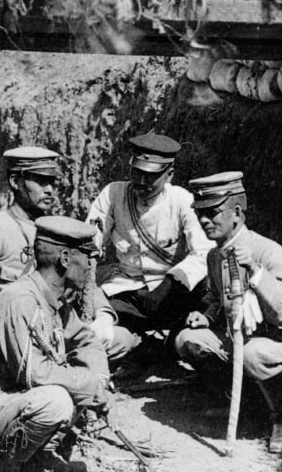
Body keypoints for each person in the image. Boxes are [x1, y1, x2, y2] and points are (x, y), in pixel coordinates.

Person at [0, 216, 113, 472]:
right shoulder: (21, 299)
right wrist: (88, 386)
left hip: (7, 408)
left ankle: (38, 459)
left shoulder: (51, 298)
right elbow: (34, 375)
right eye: (87, 258)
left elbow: (86, 340)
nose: (91, 268)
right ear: (65, 259)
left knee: (72, 384)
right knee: (56, 399)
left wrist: (98, 379)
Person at [0, 146, 130, 361]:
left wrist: (102, 314)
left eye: (52, 182)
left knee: (120, 338)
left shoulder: (56, 228)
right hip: (18, 337)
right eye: (40, 181)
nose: (49, 190)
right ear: (15, 181)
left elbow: (83, 279)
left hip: (56, 332)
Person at [175, 171, 282, 454]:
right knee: (188, 340)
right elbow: (216, 296)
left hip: (279, 348)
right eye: (200, 214)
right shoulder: (215, 255)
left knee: (253, 353)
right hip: (237, 344)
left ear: (236, 213)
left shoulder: (266, 251)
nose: (204, 221)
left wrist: (257, 274)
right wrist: (207, 317)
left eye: (213, 213)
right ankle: (242, 402)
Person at [86, 133, 212, 352]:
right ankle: (144, 345)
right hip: (128, 288)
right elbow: (90, 240)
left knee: (197, 304)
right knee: (103, 312)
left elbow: (203, 252)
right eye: (137, 172)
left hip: (171, 290)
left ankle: (163, 345)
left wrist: (169, 284)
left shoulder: (182, 201)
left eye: (151, 176)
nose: (142, 181)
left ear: (169, 175)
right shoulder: (114, 194)